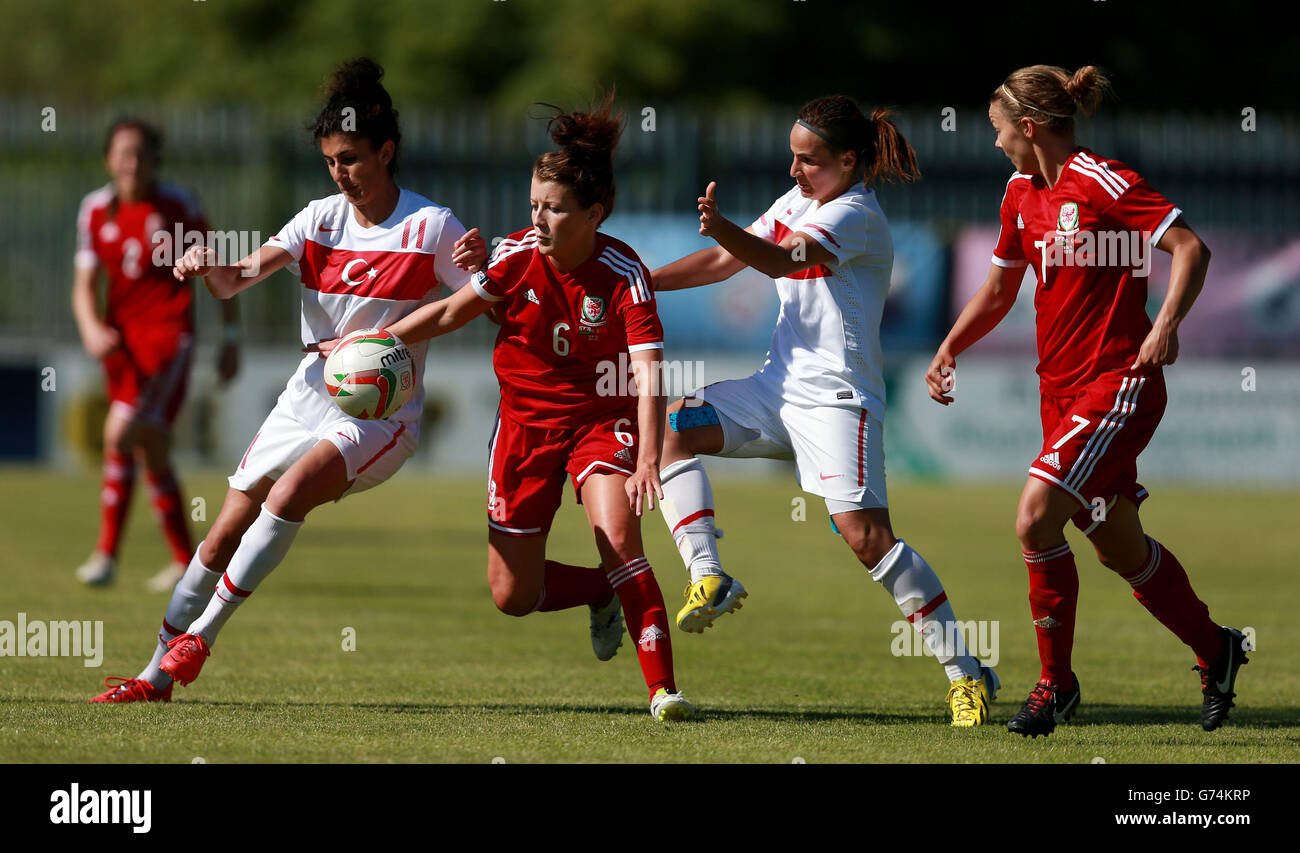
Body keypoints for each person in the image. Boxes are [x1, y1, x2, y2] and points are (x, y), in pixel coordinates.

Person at [89, 57, 485, 703]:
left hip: (379, 412)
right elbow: (240, 276)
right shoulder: (318, 218)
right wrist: (208, 265)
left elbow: (480, 300)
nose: (341, 172)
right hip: (309, 391)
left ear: (386, 152)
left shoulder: (430, 226)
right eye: (331, 159)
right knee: (221, 532)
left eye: (352, 158)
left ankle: (202, 639)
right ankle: (152, 673)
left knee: (292, 491)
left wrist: (464, 277)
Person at [321, 95, 695, 722]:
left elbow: (649, 370)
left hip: (602, 422)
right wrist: (371, 342)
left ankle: (664, 692)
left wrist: (649, 457)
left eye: (554, 208)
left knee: (618, 535)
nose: (539, 219)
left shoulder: (624, 271)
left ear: (593, 214)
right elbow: (445, 312)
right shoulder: (516, 255)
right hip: (524, 428)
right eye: (533, 205)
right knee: (512, 595)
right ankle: (604, 592)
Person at [652, 95, 998, 726]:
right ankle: (709, 577)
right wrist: (642, 280)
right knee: (675, 426)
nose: (794, 171)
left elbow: (783, 259)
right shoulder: (800, 201)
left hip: (839, 402)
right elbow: (723, 261)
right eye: (791, 157)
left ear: (848, 160)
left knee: (868, 539)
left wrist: (723, 226)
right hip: (774, 389)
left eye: (808, 160)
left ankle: (966, 673)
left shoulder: (856, 214)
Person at [926, 64, 1248, 736]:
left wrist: (1164, 326)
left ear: (1030, 126)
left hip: (1118, 383)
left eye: (998, 131)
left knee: (1034, 517)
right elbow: (996, 291)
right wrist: (950, 346)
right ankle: (1217, 648)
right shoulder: (1020, 192)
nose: (994, 144)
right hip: (1059, 389)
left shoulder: (1101, 181)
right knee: (1115, 544)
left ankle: (1055, 686)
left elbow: (1190, 248)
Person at [72, 119, 240, 592]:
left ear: (154, 160)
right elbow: (85, 285)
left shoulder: (179, 207)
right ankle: (188, 562)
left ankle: (105, 557)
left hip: (169, 340)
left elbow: (222, 270)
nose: (132, 162)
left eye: (141, 153)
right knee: (153, 448)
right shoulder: (95, 210)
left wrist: (231, 338)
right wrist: (89, 327)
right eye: (124, 153)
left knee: (119, 432)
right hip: (121, 348)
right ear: (109, 159)